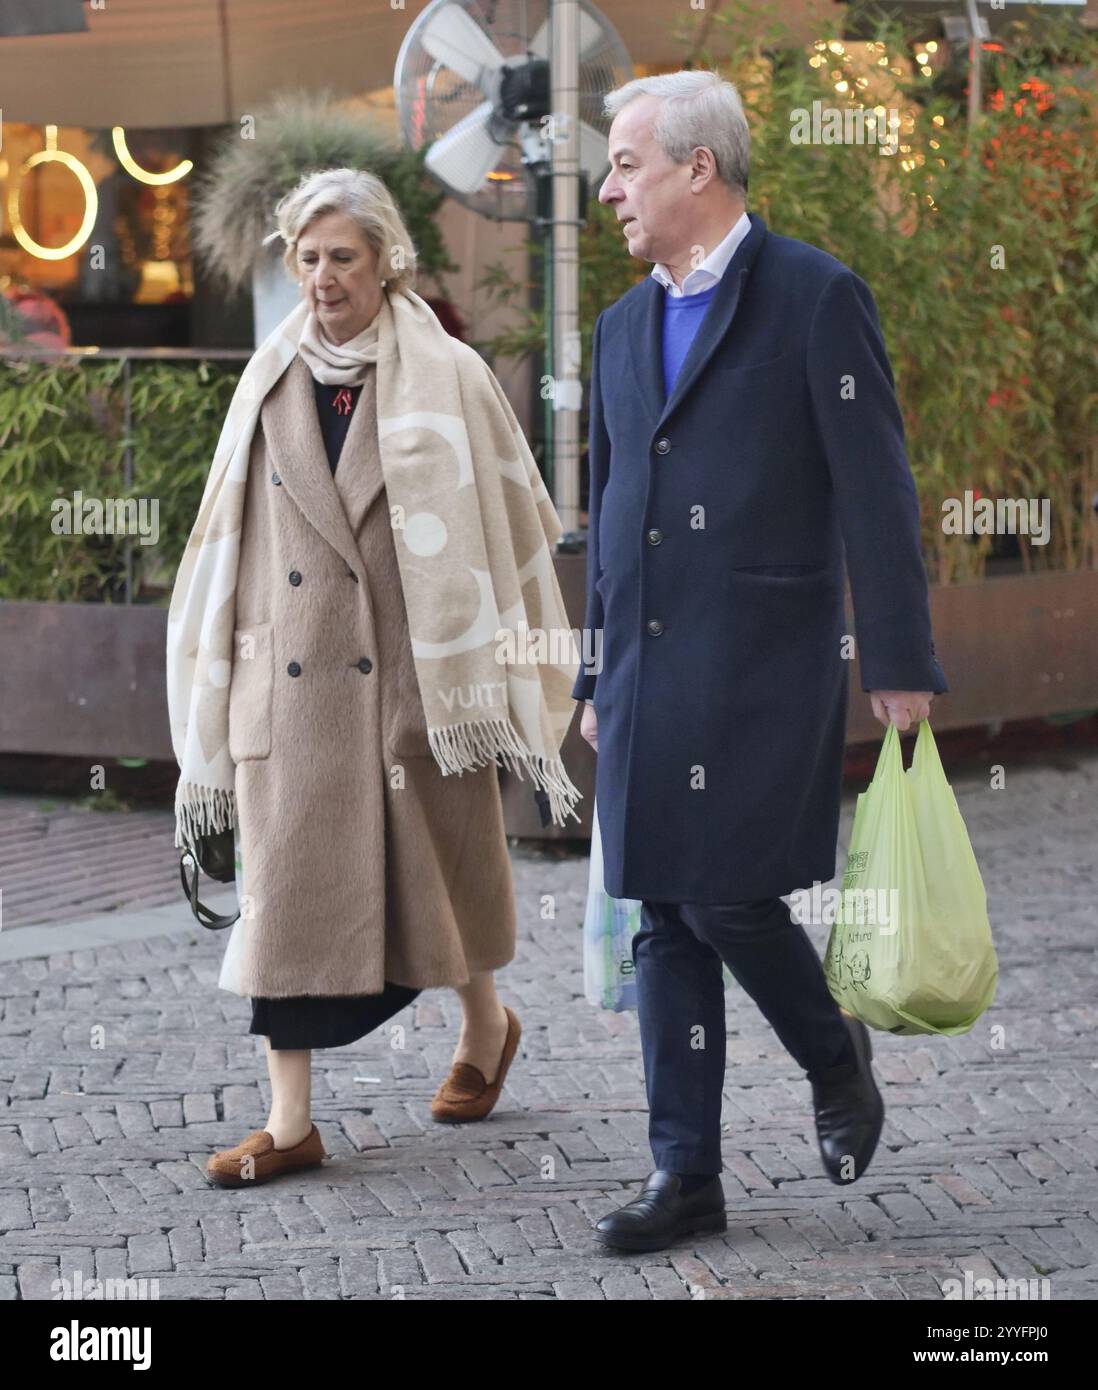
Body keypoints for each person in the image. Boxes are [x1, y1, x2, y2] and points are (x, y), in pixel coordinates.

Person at [573, 73, 948, 1251]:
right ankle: (684, 1175)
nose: (607, 188)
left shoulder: (815, 295)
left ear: (699, 166)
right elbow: (609, 509)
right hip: (642, 669)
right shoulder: (619, 325)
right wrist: (591, 676)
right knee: (662, 917)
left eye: (626, 163)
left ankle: (833, 1055)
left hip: (761, 657)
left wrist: (899, 655)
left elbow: (875, 483)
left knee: (728, 891)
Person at [165, 167, 582, 1187]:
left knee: (435, 876)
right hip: (295, 687)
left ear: (385, 258)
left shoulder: (452, 376)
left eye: (340, 257)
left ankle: (486, 1026)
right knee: (286, 899)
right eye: (306, 259)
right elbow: (226, 540)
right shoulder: (269, 379)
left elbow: (516, 514)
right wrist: (226, 678)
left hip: (417, 682)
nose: (321, 278)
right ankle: (290, 1119)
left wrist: (493, 652)